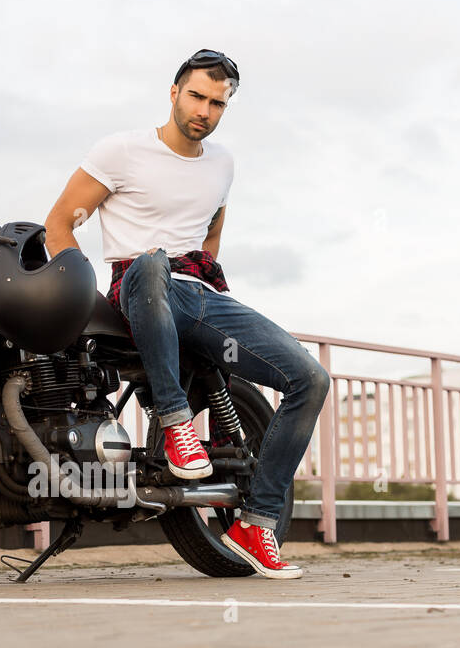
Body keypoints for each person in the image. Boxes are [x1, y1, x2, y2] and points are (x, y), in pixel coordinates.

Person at [44, 48, 330, 580]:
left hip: (196, 293)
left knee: (311, 379)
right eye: (197, 96)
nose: (205, 110)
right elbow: (60, 223)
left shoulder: (223, 165)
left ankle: (256, 523)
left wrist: (198, 294)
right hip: (135, 286)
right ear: (174, 93)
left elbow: (211, 236)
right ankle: (176, 424)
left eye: (217, 103)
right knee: (151, 262)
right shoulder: (120, 151)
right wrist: (79, 295)